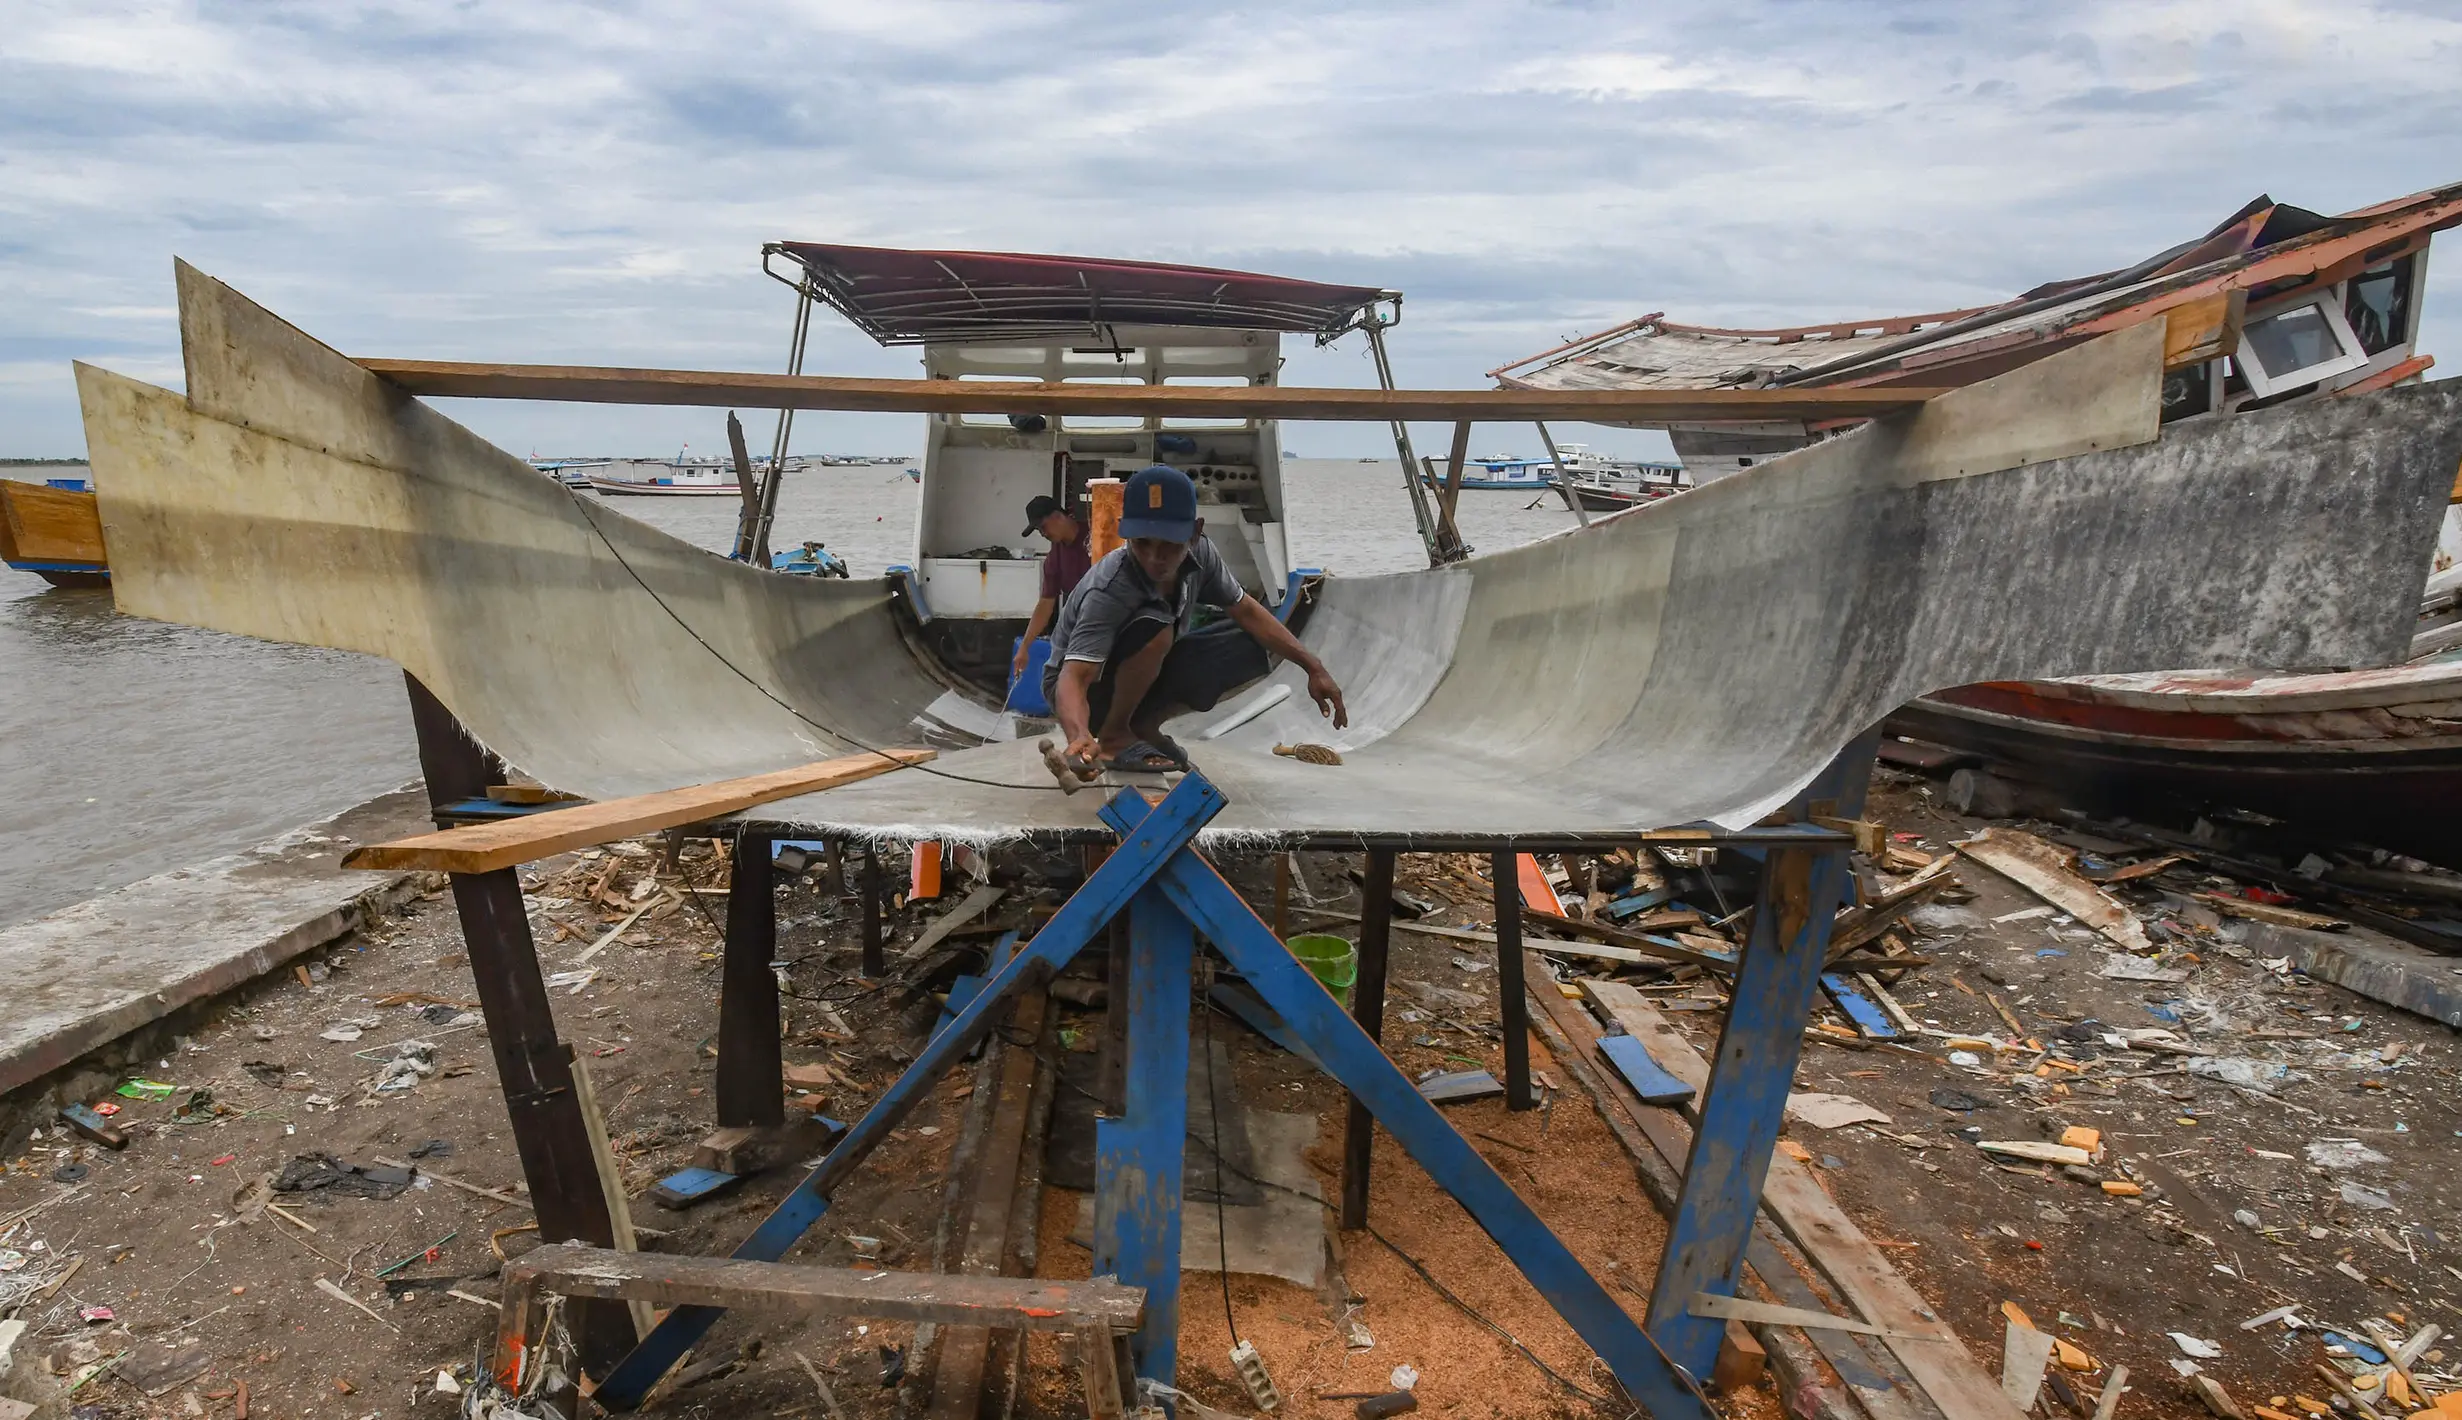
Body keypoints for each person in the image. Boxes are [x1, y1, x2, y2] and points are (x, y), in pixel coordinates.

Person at [1043, 464, 1346, 772]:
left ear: (1195, 532)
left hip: (1131, 679)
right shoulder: (1110, 587)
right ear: (1126, 530)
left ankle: (1144, 725)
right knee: (1157, 627)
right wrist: (1079, 736)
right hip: (1082, 692)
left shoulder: (1203, 555)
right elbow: (1074, 676)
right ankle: (1113, 736)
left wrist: (1313, 667)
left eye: (1169, 546)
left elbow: (1247, 611)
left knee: (1243, 641)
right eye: (1142, 543)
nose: (1154, 558)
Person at [1012, 494, 1092, 684]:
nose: (1043, 534)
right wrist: (1024, 647)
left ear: (1058, 516)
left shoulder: (1097, 535)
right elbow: (1046, 604)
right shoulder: (1054, 558)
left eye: (1042, 527)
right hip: (1082, 627)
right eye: (1039, 530)